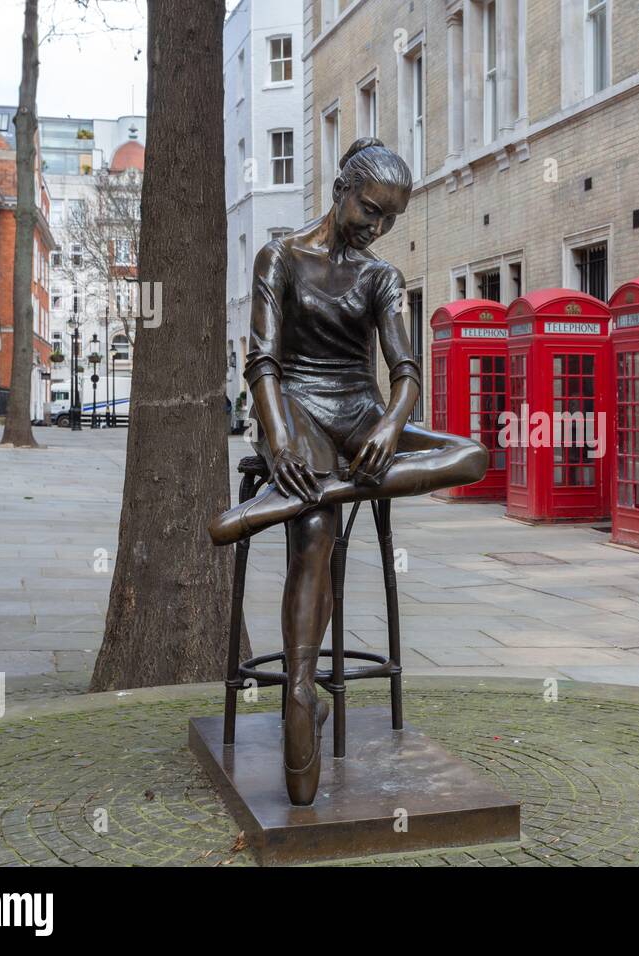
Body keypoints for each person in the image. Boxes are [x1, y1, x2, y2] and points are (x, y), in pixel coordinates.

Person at [208, 139, 486, 805]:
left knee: (469, 455)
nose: (375, 227)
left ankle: (291, 499)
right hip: (295, 408)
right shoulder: (280, 258)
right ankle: (302, 688)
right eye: (369, 209)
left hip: (360, 412)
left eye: (388, 219)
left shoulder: (380, 276)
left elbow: (405, 371)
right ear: (340, 189)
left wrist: (392, 425)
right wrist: (282, 442)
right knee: (313, 531)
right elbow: (263, 365)